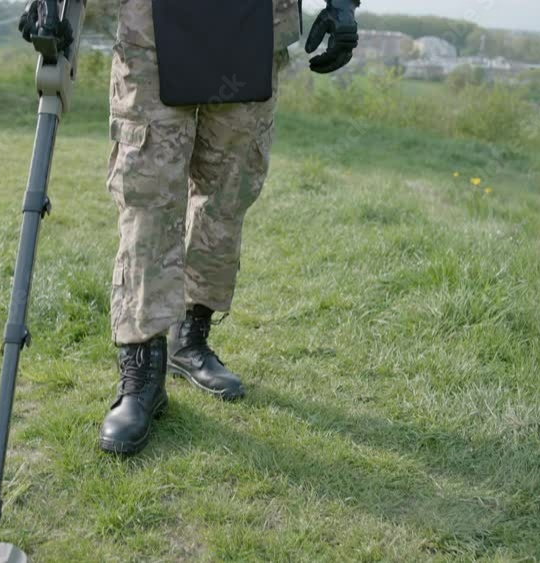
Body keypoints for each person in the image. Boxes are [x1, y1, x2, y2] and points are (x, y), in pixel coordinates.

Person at [94, 0, 360, 455]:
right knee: (149, 192)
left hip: (252, 24)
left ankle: (191, 339)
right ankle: (142, 367)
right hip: (153, 26)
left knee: (227, 190)